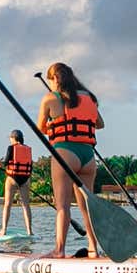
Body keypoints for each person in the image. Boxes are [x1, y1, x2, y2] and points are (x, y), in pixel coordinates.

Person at [38, 64, 101, 257]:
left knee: (63, 206)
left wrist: (54, 125)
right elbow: (100, 124)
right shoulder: (90, 98)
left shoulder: (50, 98)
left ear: (55, 79)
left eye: (50, 79)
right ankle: (93, 249)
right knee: (87, 207)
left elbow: (40, 128)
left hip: (65, 153)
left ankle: (59, 250)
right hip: (88, 157)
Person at [0, 130, 34, 237]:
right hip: (25, 180)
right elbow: (30, 166)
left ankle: (3, 230)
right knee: (26, 205)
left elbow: (5, 163)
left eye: (10, 138)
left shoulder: (11, 148)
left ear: (13, 138)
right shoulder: (28, 149)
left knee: (7, 204)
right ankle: (29, 231)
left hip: (12, 179)